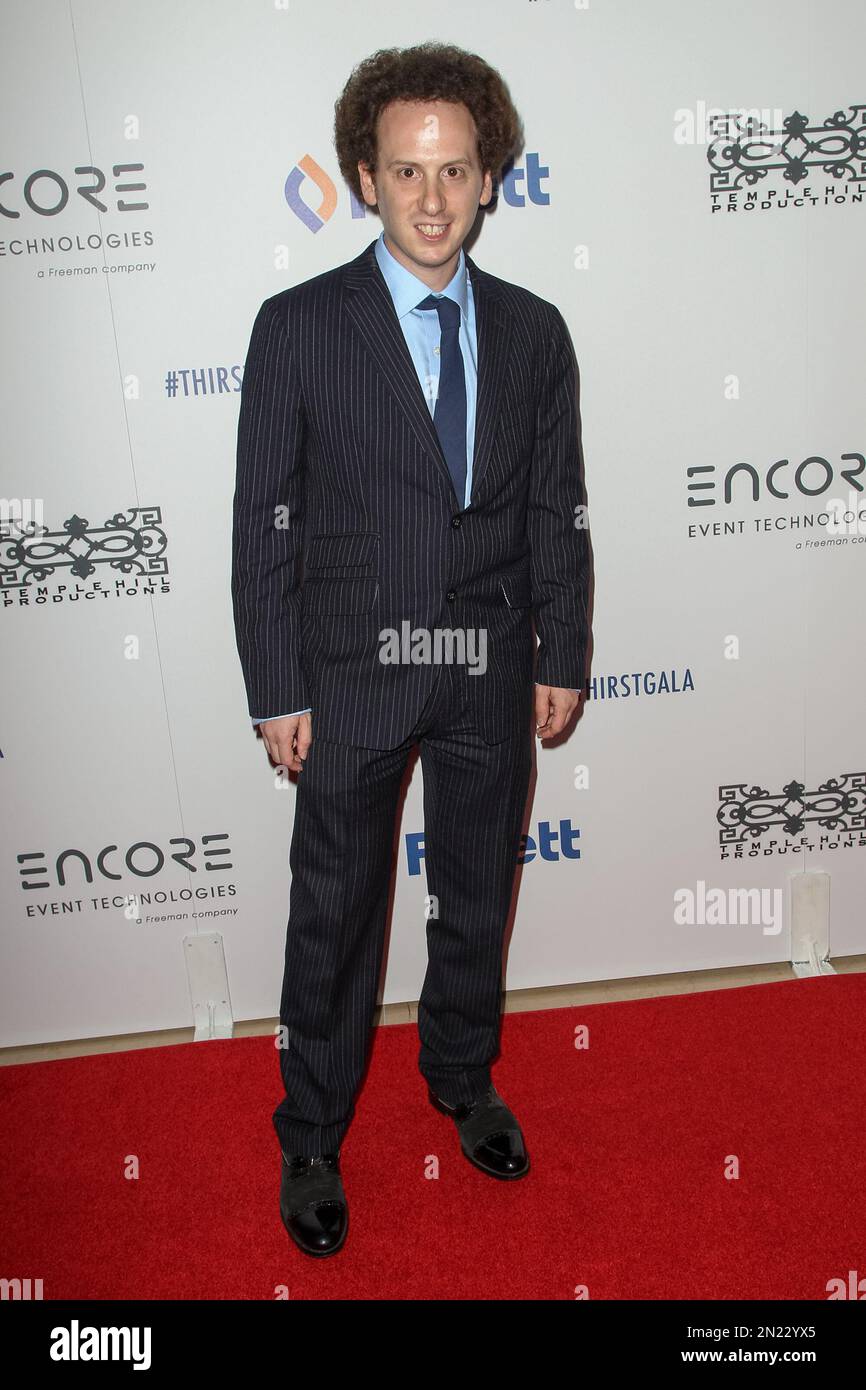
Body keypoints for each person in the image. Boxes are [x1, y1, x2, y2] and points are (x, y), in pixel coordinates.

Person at [231, 41, 590, 1258]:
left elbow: (555, 505)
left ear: (488, 177)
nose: (431, 199)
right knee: (331, 914)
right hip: (348, 671)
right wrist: (276, 681)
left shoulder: (536, 333)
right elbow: (261, 517)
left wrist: (564, 647)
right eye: (404, 171)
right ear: (362, 180)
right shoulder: (295, 328)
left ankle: (461, 1076)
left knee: (475, 894)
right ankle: (314, 1134)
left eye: (453, 170)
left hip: (490, 661)